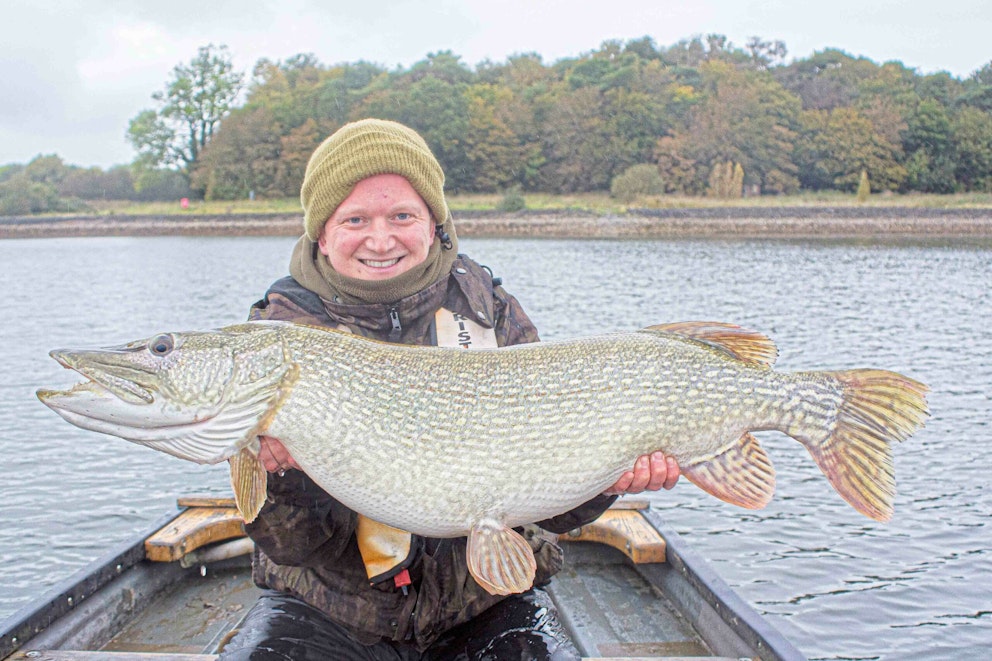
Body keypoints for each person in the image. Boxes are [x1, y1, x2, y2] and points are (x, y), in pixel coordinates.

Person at [219, 119, 680, 660]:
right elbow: (292, 547)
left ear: (434, 222)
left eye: (402, 216)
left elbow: (552, 513)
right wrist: (285, 478)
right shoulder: (275, 339)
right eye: (355, 219)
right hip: (328, 610)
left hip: (481, 605)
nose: (381, 238)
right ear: (321, 231)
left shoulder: (491, 310)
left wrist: (608, 478)